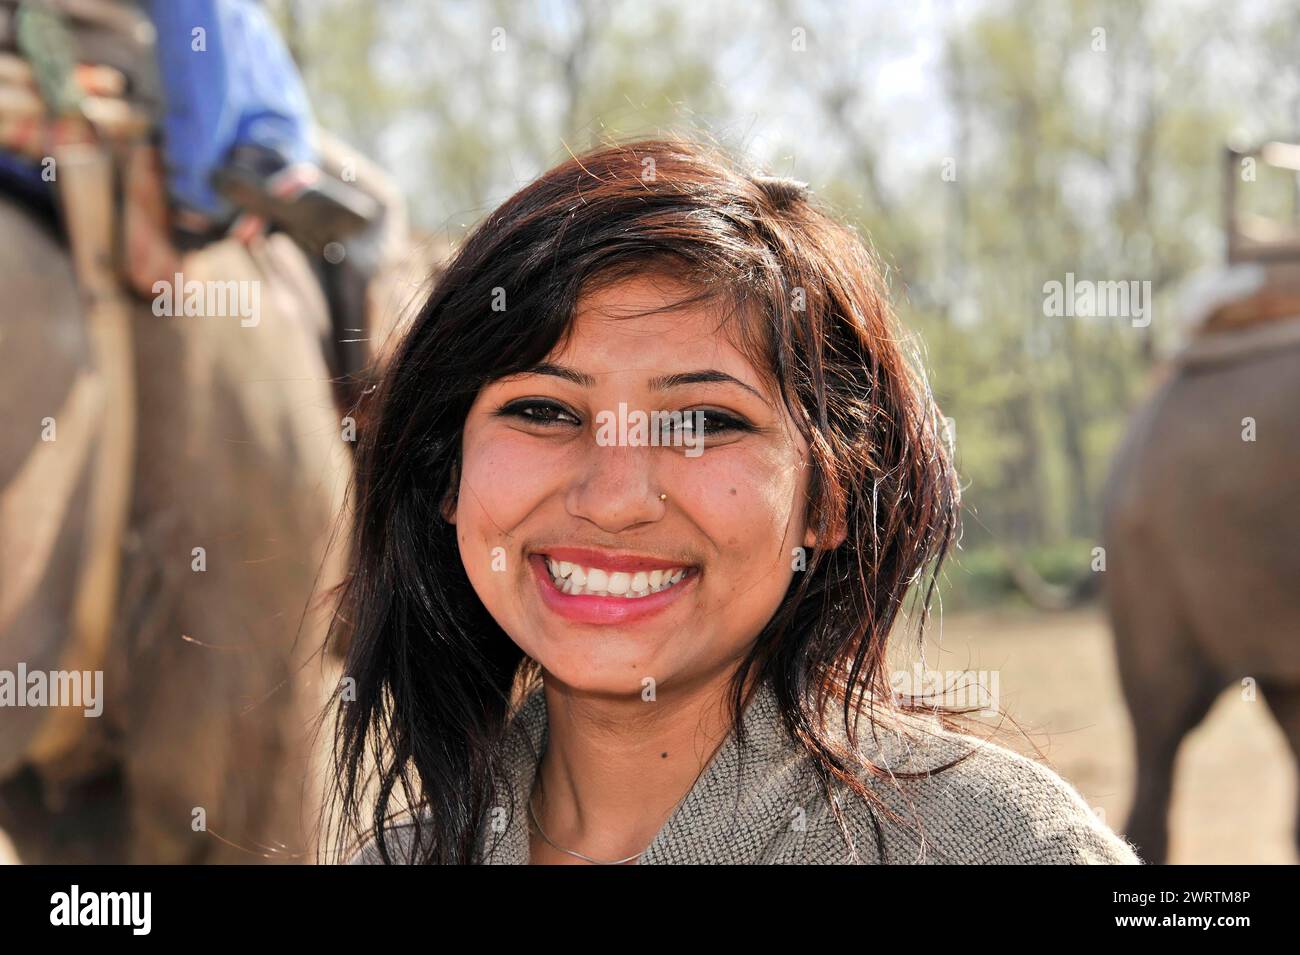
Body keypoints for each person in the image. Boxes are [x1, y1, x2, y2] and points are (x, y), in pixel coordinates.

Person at [329, 137, 1142, 865]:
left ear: (829, 496)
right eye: (543, 410)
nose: (614, 499)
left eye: (704, 422)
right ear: (448, 475)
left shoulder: (1009, 849)